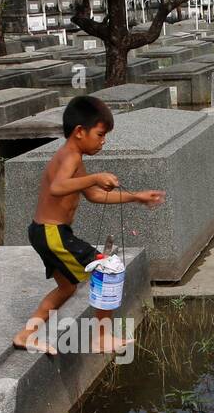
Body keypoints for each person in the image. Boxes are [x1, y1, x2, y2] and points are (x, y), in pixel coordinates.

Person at [12, 95, 164, 354]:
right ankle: (102, 337)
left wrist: (135, 196)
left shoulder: (75, 159)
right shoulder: (69, 156)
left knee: (66, 288)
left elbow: (94, 195)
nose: (103, 142)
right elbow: (58, 187)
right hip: (52, 233)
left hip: (45, 232)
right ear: (80, 132)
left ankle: (26, 334)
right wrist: (96, 176)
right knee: (106, 269)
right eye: (101, 134)